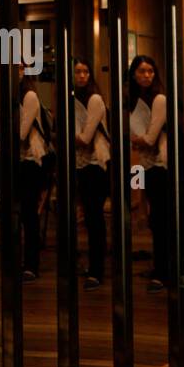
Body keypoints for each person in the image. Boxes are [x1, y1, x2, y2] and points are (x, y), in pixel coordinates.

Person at [129, 55, 184, 293]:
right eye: (141, 71)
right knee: (157, 222)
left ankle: (175, 271)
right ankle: (163, 270)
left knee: (167, 221)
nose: (146, 75)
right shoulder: (135, 100)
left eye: (150, 71)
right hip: (149, 166)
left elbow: (149, 138)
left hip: (164, 165)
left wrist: (137, 140)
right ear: (133, 74)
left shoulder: (159, 98)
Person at [73, 59, 111, 290]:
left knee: (95, 218)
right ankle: (93, 266)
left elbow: (85, 138)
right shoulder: (72, 99)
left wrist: (70, 136)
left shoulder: (94, 99)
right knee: (88, 217)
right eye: (78, 72)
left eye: (85, 71)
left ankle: (97, 270)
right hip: (81, 164)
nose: (81, 76)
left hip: (97, 163)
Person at [17, 67, 48, 282]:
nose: (15, 71)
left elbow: (21, 132)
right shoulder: (14, 93)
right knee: (23, 213)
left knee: (29, 213)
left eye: (19, 67)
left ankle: (31, 263)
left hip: (31, 159)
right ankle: (25, 260)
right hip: (20, 160)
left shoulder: (29, 95)